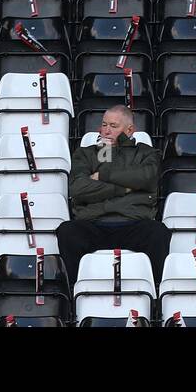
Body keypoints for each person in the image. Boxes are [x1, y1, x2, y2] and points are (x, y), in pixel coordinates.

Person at [55, 105, 172, 287]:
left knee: (158, 232)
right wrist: (124, 187)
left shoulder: (146, 153)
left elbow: (146, 179)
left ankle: (155, 294)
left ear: (129, 130)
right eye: (104, 125)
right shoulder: (85, 154)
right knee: (67, 231)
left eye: (113, 126)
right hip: (94, 223)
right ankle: (74, 294)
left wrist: (102, 176)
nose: (107, 130)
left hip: (133, 223)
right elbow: (78, 188)